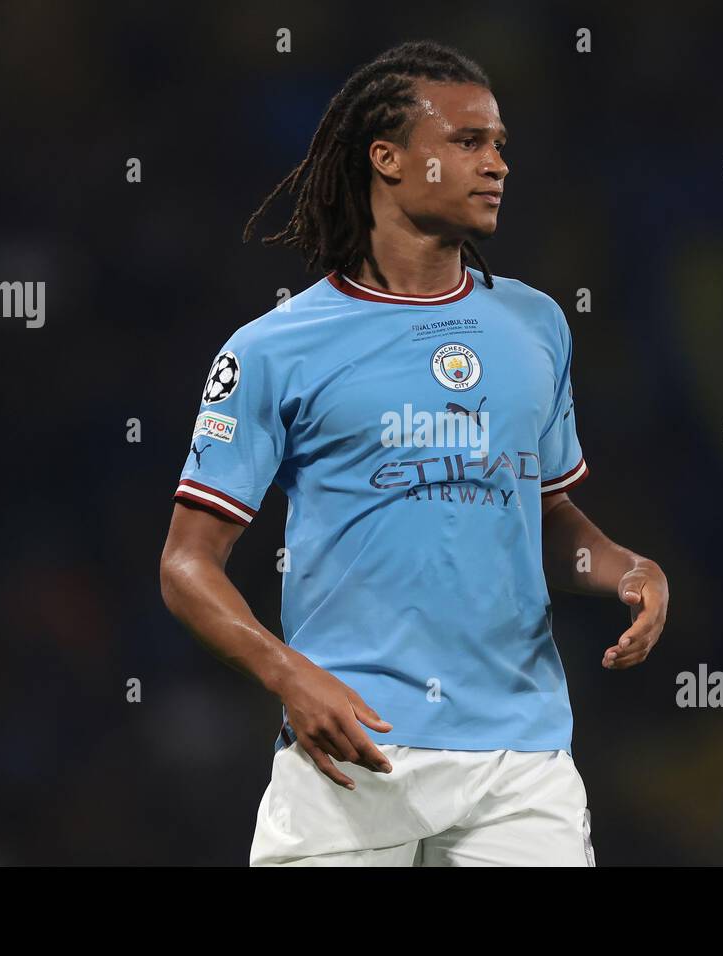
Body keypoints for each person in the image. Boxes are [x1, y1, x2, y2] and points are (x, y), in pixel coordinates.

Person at [159, 40, 668, 866]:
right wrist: (288, 675)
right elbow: (187, 565)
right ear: (387, 158)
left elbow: (542, 515)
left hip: (521, 760)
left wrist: (627, 569)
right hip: (352, 752)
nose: (496, 163)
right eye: (467, 142)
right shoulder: (274, 350)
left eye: (500, 143)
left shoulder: (536, 326)